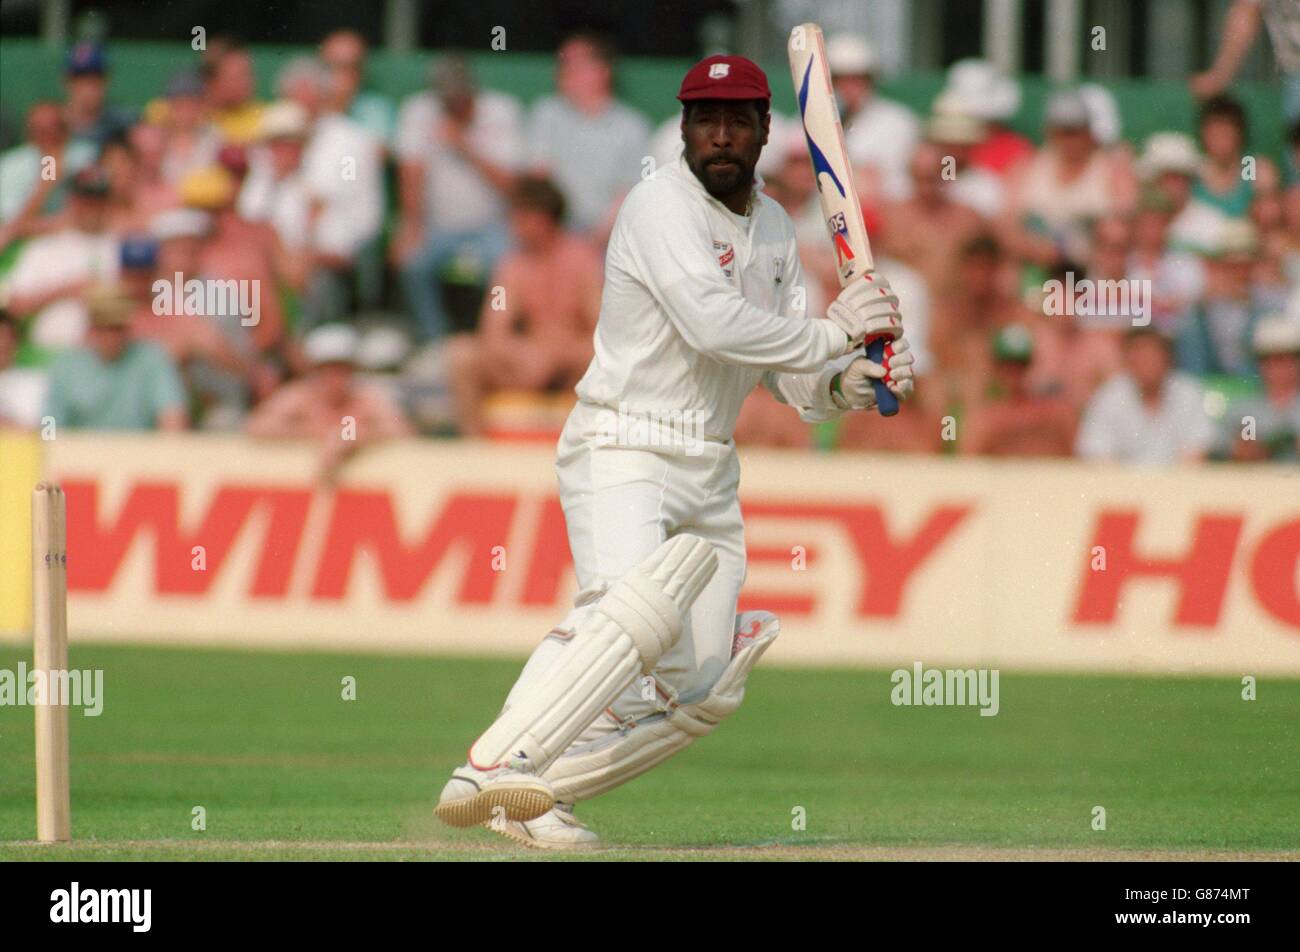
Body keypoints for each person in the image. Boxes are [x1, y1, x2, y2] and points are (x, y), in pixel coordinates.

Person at [433, 54, 915, 849]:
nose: (719, 137)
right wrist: (834, 328)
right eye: (704, 120)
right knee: (629, 614)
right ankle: (492, 764)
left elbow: (784, 378)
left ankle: (538, 792)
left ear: (765, 130)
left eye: (736, 121)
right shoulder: (658, 205)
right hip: (626, 440)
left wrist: (847, 381)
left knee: (698, 688)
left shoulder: (770, 231)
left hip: (709, 464)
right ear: (684, 128)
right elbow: (712, 322)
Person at [445, 176, 601, 435]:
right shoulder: (510, 267)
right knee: (460, 354)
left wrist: (555, 357)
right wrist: (524, 355)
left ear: (544, 218)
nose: (513, 226)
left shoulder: (583, 261)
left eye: (520, 217)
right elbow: (492, 331)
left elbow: (603, 334)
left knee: (600, 360)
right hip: (526, 366)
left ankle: (583, 447)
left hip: (572, 367)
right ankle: (474, 447)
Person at [394, 55, 521, 339]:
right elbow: (411, 173)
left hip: (493, 226)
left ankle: (492, 341)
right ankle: (435, 343)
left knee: (505, 268)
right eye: (446, 98)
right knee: (411, 263)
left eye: (459, 96)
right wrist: (411, 226)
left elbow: (511, 185)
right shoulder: (419, 110)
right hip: (436, 227)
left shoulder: (502, 110)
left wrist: (464, 146)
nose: (453, 104)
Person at [246, 323, 412, 482]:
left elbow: (402, 431)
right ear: (314, 370)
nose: (334, 377)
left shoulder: (367, 396)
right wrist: (320, 433)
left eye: (341, 369)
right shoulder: (300, 395)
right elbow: (257, 426)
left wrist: (354, 438)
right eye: (327, 369)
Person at [526, 32, 650, 240]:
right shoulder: (546, 114)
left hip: (607, 237)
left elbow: (628, 195)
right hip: (552, 234)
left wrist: (593, 242)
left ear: (603, 71)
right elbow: (539, 179)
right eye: (562, 65)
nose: (564, 72)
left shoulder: (632, 126)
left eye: (575, 65)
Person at [1, 166, 120, 352]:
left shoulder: (121, 248)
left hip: (105, 357)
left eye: (99, 200)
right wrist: (65, 290)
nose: (92, 207)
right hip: (45, 355)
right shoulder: (45, 248)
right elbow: (12, 306)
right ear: (72, 201)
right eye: (86, 200)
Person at [43, 285, 187, 431]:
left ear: (128, 326)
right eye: (103, 326)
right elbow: (49, 421)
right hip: (81, 453)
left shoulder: (153, 359)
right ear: (91, 327)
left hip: (138, 452)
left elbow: (173, 417)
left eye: (116, 327)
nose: (110, 335)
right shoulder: (66, 366)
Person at [1076, 327, 1214, 464]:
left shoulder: (1188, 393)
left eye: (1152, 355)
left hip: (1180, 483)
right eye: (1139, 355)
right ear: (1127, 360)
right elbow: (1096, 453)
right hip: (1120, 483)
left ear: (1167, 357)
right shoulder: (1109, 395)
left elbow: (1197, 453)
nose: (1147, 361)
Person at [827, 33, 919, 204]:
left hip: (884, 212)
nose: (848, 86)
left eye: (856, 78)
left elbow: (901, 183)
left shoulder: (899, 120)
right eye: (841, 79)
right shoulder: (815, 120)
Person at [959, 324, 1076, 457]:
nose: (1014, 374)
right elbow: (969, 462)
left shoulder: (1056, 414)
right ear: (996, 368)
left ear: (1030, 365)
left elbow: (1074, 456)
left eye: (1020, 365)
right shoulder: (986, 420)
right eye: (1007, 366)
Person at [0, 101, 97, 241]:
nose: (49, 135)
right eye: (40, 129)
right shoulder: (12, 164)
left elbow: (97, 215)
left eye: (54, 127)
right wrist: (47, 181)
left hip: (81, 239)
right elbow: (10, 225)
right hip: (26, 243)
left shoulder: (86, 155)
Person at [1220, 314, 1300, 460]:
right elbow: (1239, 453)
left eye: (1287, 358)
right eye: (1270, 359)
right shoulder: (1245, 410)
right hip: (1258, 481)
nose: (1279, 367)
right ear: (1259, 363)